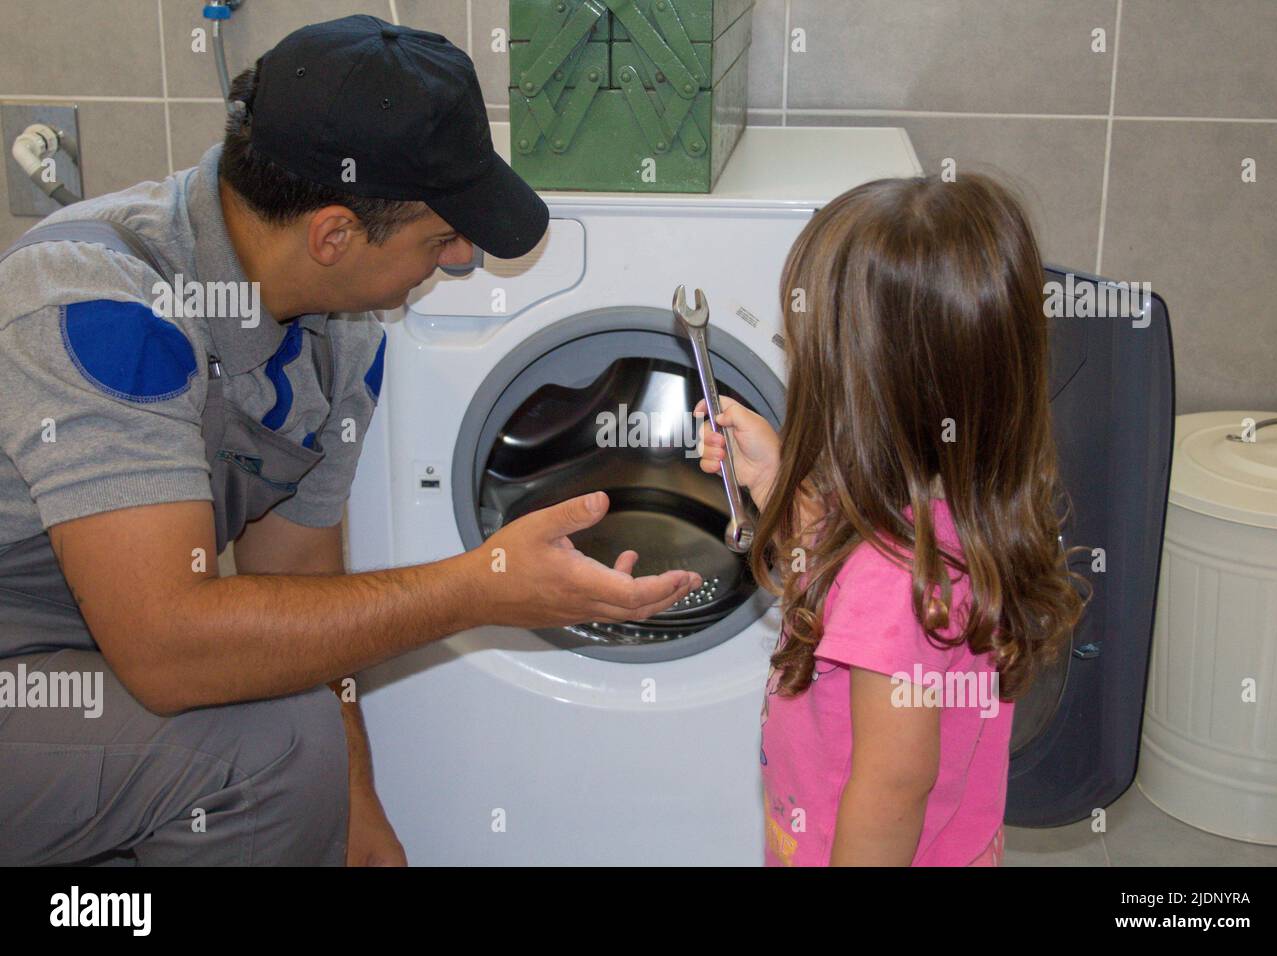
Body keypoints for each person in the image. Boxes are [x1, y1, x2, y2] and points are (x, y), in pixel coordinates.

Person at [0, 15, 700, 867]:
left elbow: (298, 597)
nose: (463, 256)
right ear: (332, 234)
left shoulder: (341, 342)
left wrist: (356, 810)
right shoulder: (98, 305)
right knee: (264, 754)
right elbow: (168, 649)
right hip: (36, 674)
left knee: (290, 757)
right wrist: (480, 587)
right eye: (441, 237)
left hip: (80, 672)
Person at [695, 173, 1088, 866]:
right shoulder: (945, 519)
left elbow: (894, 786)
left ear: (860, 390)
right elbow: (838, 582)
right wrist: (773, 478)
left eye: (806, 353)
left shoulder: (891, 577)